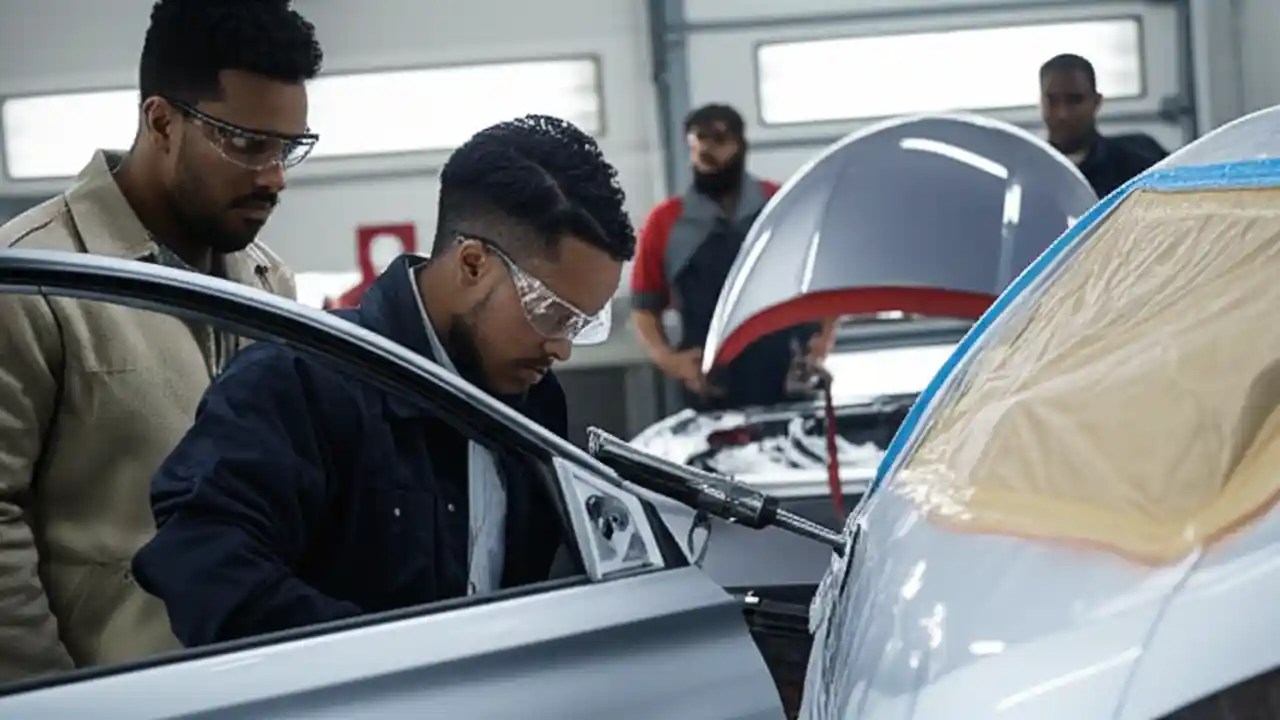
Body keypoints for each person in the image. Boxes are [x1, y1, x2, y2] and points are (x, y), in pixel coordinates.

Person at [131, 115, 636, 647]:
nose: (561, 348)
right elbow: (203, 561)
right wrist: (386, 662)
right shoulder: (298, 382)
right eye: (552, 313)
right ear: (472, 264)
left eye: (581, 324)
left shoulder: (530, 408)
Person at [0, 0, 321, 679]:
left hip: (253, 685)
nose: (275, 176)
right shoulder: (32, 281)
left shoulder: (270, 286)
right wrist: (53, 697)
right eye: (247, 143)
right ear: (161, 121)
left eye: (287, 147)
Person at [630, 103, 835, 411]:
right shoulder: (666, 222)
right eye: (699, 142)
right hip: (710, 385)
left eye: (718, 139)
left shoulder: (782, 205)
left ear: (740, 145)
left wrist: (824, 339)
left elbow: (825, 280)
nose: (707, 150)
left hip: (788, 378)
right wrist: (668, 360)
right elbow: (644, 307)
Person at [1040, 53, 1169, 198]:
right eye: (1052, 101)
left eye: (1074, 100)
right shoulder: (1027, 176)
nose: (1062, 113)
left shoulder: (1138, 168)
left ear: (1096, 102)